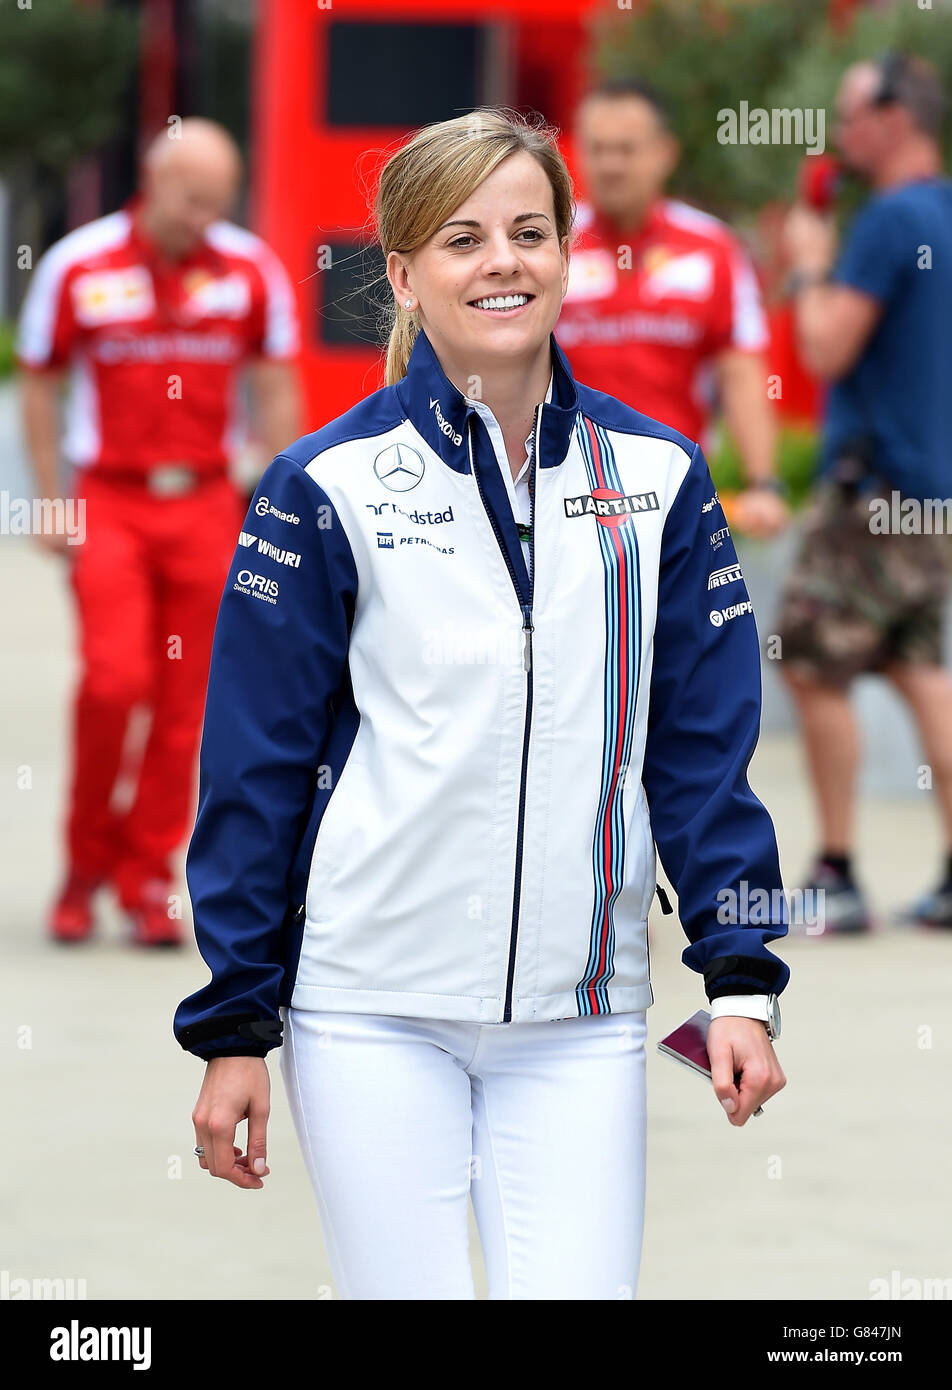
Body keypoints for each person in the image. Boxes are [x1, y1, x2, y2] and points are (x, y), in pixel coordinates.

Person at [174, 109, 788, 1301]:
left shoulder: (657, 480)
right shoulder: (321, 487)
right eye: (462, 238)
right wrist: (234, 1028)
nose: (503, 261)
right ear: (403, 272)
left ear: (567, 253)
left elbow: (704, 757)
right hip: (368, 1007)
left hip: (583, 1014)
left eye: (529, 231)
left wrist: (740, 981)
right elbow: (252, 770)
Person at [16, 118, 302, 946]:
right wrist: (46, 499)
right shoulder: (80, 263)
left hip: (208, 504)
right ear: (152, 178)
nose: (202, 216)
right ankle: (82, 863)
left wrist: (279, 495)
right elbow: (39, 386)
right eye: (190, 198)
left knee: (190, 703)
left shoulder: (248, 268)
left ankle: (146, 874)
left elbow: (276, 383)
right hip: (109, 499)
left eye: (217, 201)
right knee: (113, 681)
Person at [780, 53, 952, 932]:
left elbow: (824, 351)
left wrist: (810, 265)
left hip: (874, 491)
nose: (839, 139)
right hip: (935, 496)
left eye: (849, 118)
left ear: (894, 118)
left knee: (810, 665)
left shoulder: (890, 220)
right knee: (922, 669)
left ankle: (837, 872)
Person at [556, 78, 787, 541]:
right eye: (597, 149)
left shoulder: (713, 247)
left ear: (665, 153)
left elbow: (740, 372)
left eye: (626, 149)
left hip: (674, 492)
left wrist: (763, 483)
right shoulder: (549, 243)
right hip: (560, 493)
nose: (610, 165)